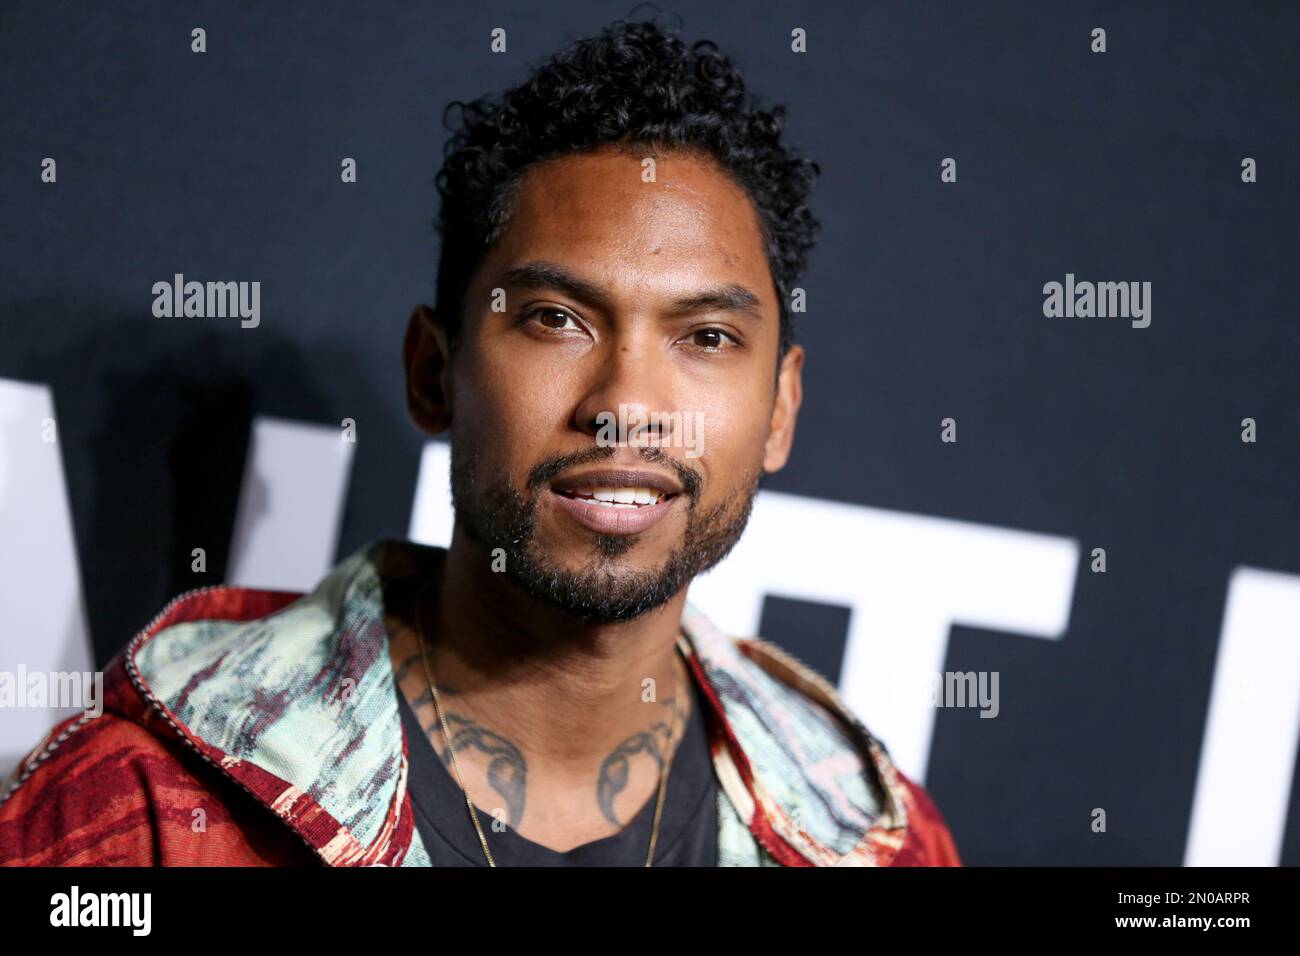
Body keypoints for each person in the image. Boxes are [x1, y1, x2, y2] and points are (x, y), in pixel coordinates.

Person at [0, 15, 960, 867]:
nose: (627, 405)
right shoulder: (146, 819)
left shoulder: (883, 843)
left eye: (706, 338)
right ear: (434, 373)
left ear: (780, 409)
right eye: (554, 318)